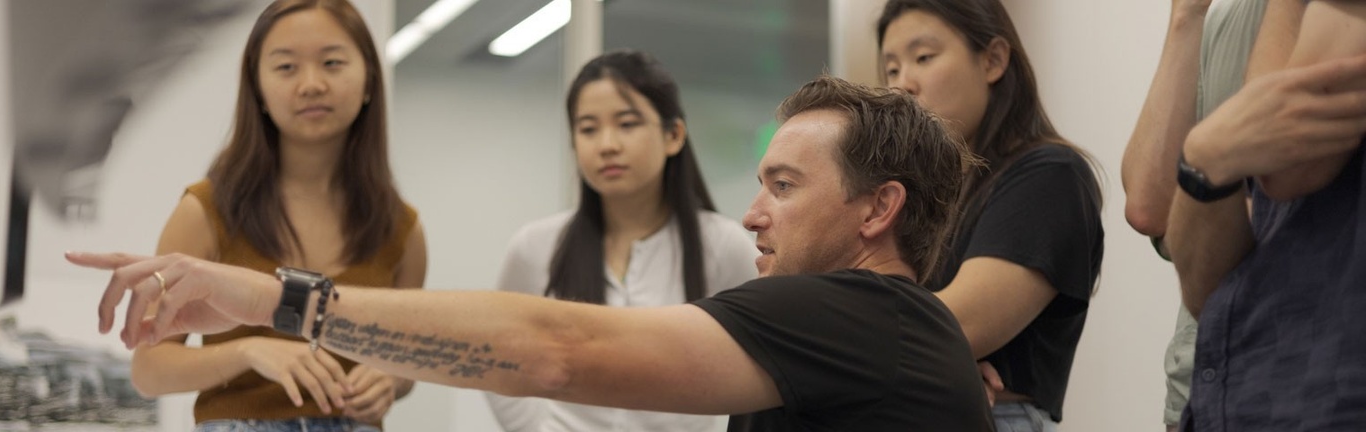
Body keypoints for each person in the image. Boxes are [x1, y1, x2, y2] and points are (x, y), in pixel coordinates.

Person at [72, 75, 994, 431]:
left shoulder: (867, 313)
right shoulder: (878, 332)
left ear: (881, 209)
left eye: (785, 188)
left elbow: (556, 349)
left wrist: (274, 298)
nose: (754, 215)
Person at [126, 1, 427, 431]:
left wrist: (393, 379)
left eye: (332, 63)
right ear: (258, 89)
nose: (311, 84)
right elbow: (149, 369)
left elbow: (411, 355)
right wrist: (247, 351)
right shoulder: (207, 211)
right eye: (286, 68)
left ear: (368, 83)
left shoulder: (402, 229)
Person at [486, 50, 758, 431]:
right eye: (588, 128)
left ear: (673, 135)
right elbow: (498, 356)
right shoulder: (536, 246)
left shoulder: (722, 245)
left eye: (627, 124)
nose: (607, 144)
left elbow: (764, 367)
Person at [875, 0, 1104, 429]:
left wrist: (934, 355)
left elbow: (956, 325)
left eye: (923, 57)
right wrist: (937, 367)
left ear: (993, 60)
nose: (902, 84)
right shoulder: (918, 195)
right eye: (891, 69)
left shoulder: (1049, 175)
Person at [1165, 0, 1366, 429]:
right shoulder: (1229, 20)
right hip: (1232, 392)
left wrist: (1211, 153)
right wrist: (1205, 159)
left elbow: (1280, 162)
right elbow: (1208, 290)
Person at [1118, 0, 1272, 430]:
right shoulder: (1226, 16)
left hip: (1301, 380)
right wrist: (1187, 16)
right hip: (1197, 389)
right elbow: (1149, 206)